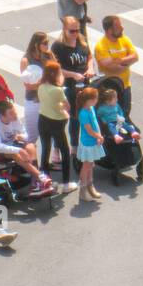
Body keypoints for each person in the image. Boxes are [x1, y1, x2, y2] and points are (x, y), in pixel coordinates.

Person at [50, 18, 93, 178]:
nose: (75, 34)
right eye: (72, 31)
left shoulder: (81, 41)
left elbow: (89, 56)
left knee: (77, 118)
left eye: (77, 30)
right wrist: (73, 74)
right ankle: (56, 150)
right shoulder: (58, 46)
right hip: (66, 86)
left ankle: (74, 149)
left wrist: (89, 68)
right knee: (62, 119)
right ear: (64, 30)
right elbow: (56, 68)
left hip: (82, 85)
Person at [0, 101, 52, 191]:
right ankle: (41, 178)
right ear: (2, 115)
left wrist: (22, 137)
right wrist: (19, 150)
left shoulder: (14, 118)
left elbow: (26, 134)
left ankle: (34, 182)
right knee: (15, 154)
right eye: (11, 113)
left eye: (14, 111)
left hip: (14, 144)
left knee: (31, 146)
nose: (15, 114)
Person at [95, 15, 139, 116]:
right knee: (111, 117)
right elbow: (114, 69)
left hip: (125, 86)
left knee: (125, 114)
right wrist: (127, 62)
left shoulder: (124, 39)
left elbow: (135, 57)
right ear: (110, 31)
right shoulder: (101, 46)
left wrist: (118, 60)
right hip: (110, 88)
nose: (122, 28)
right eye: (119, 27)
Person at [74, 88, 106, 202]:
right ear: (90, 100)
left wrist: (98, 136)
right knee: (86, 166)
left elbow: (95, 125)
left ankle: (90, 186)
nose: (97, 100)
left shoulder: (91, 108)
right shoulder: (83, 113)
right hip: (88, 143)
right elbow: (89, 130)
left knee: (91, 164)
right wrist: (99, 136)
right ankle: (83, 190)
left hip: (93, 141)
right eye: (96, 98)